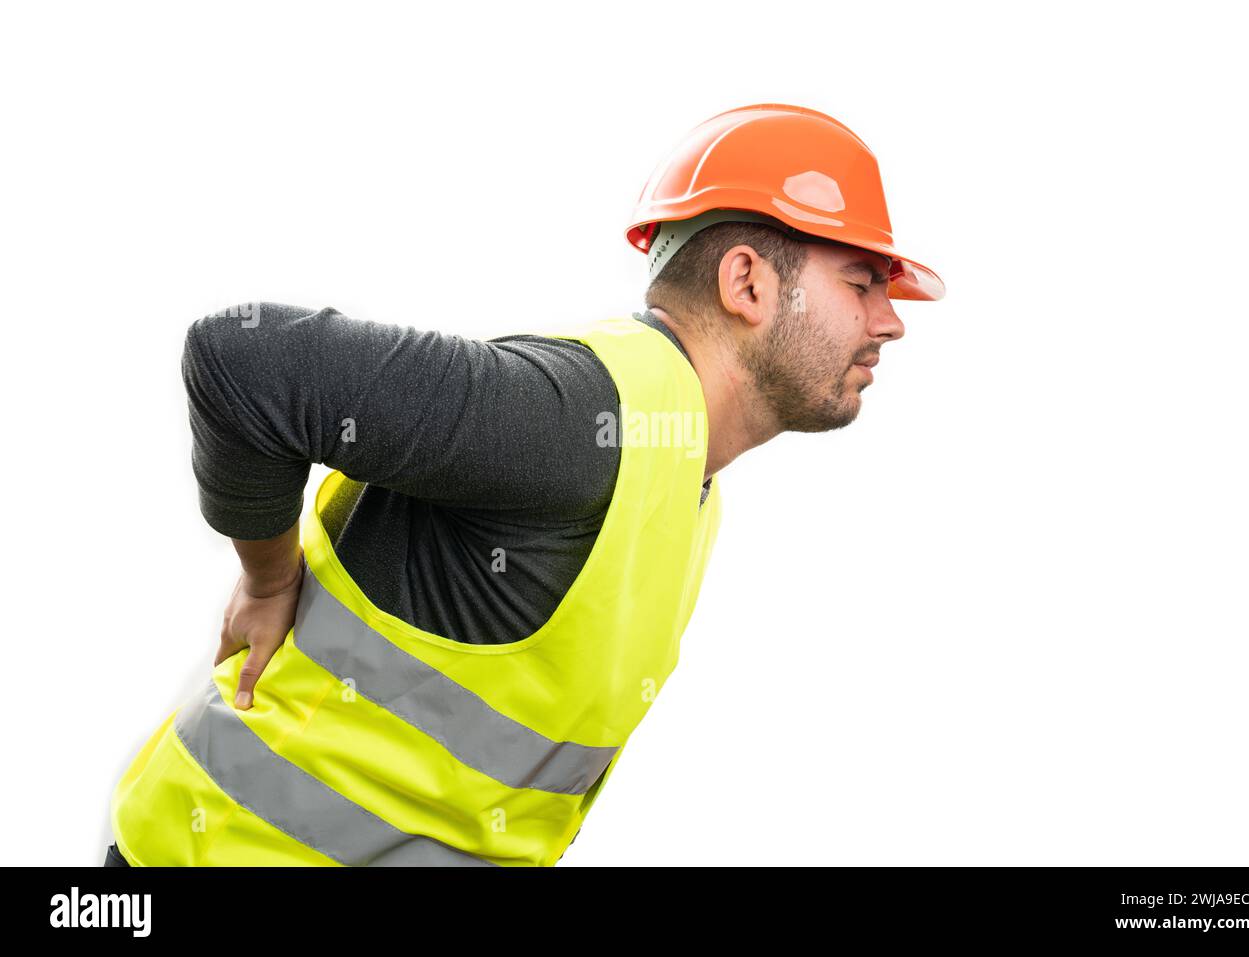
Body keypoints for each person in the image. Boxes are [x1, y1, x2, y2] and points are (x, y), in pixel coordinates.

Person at [105, 103, 944, 866]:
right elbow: (241, 359)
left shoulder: (684, 482)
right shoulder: (576, 421)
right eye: (862, 282)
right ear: (748, 283)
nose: (891, 320)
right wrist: (269, 576)